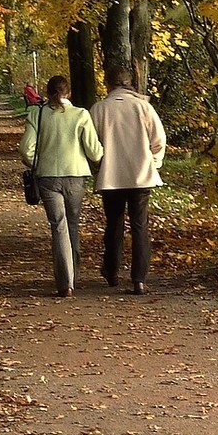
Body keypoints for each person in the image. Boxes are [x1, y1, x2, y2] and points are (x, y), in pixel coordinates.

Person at [19, 75, 103, 298]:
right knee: (72, 223)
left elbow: (27, 149)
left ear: (47, 93)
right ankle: (73, 273)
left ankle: (65, 283)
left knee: (58, 225)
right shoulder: (81, 115)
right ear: (69, 93)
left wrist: (37, 163)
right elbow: (95, 152)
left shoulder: (37, 115)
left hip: (47, 177)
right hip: (76, 176)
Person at [89, 66, 166, 295]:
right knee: (140, 226)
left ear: (108, 83)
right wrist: (153, 162)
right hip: (140, 175)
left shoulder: (99, 109)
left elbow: (91, 143)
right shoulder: (144, 107)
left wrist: (98, 166)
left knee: (114, 224)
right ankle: (139, 278)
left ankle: (112, 272)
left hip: (111, 176)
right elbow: (159, 140)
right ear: (130, 82)